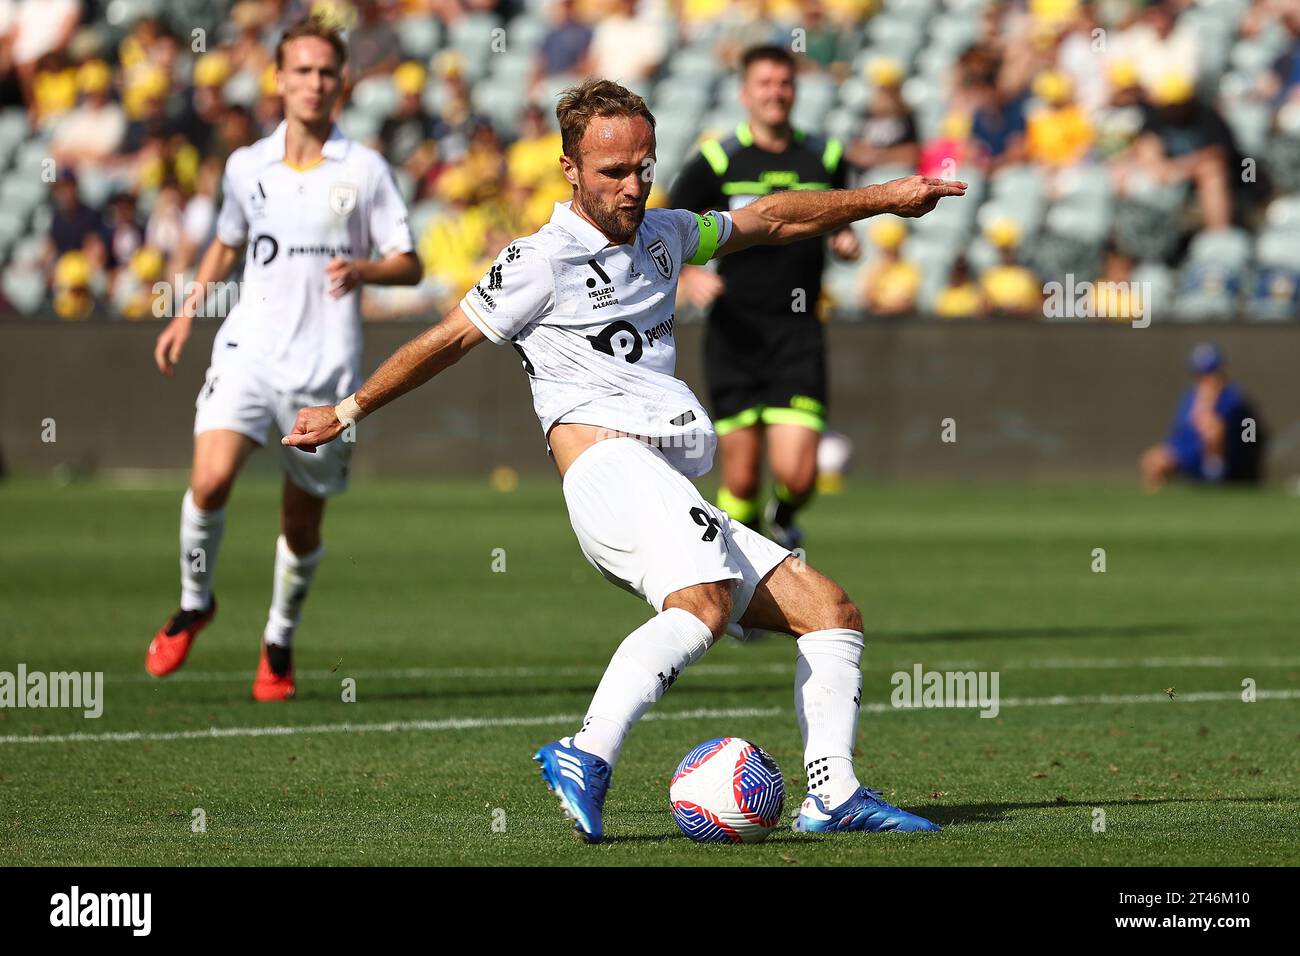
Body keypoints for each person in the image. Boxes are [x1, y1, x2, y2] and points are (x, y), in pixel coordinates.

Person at [282, 78, 965, 842]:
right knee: (701, 604)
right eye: (613, 171)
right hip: (609, 471)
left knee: (830, 614)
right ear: (570, 168)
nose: (633, 185)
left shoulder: (665, 234)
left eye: (643, 166)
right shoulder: (538, 261)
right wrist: (346, 412)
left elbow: (770, 219)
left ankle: (832, 793)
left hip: (662, 479)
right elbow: (447, 341)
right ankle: (587, 752)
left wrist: (886, 195)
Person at [144, 15, 421, 700]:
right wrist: (187, 310)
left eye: (327, 71)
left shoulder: (365, 169)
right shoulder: (246, 167)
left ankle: (277, 640)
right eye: (302, 70)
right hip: (249, 349)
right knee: (208, 481)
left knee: (299, 523)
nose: (314, 83)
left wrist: (366, 271)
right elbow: (227, 242)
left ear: (343, 82)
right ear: (279, 79)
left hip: (325, 370)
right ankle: (194, 601)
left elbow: (410, 265)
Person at [669, 45, 859, 550]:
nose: (776, 92)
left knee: (799, 476)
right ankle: (743, 578)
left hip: (797, 333)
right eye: (765, 83)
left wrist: (845, 238)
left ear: (795, 91)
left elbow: (841, 218)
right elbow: (663, 231)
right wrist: (688, 276)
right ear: (744, 93)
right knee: (742, 479)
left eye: (785, 83)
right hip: (734, 333)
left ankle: (786, 513)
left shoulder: (825, 157)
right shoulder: (716, 160)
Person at [1140, 343, 1266, 491]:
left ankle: (1213, 477)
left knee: (1212, 429)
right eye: (1202, 375)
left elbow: (1246, 436)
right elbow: (1179, 433)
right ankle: (1157, 505)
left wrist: (1208, 406)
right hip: (1189, 454)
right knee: (1152, 459)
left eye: (1212, 374)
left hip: (1228, 461)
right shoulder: (1190, 397)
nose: (1208, 380)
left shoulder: (1234, 399)